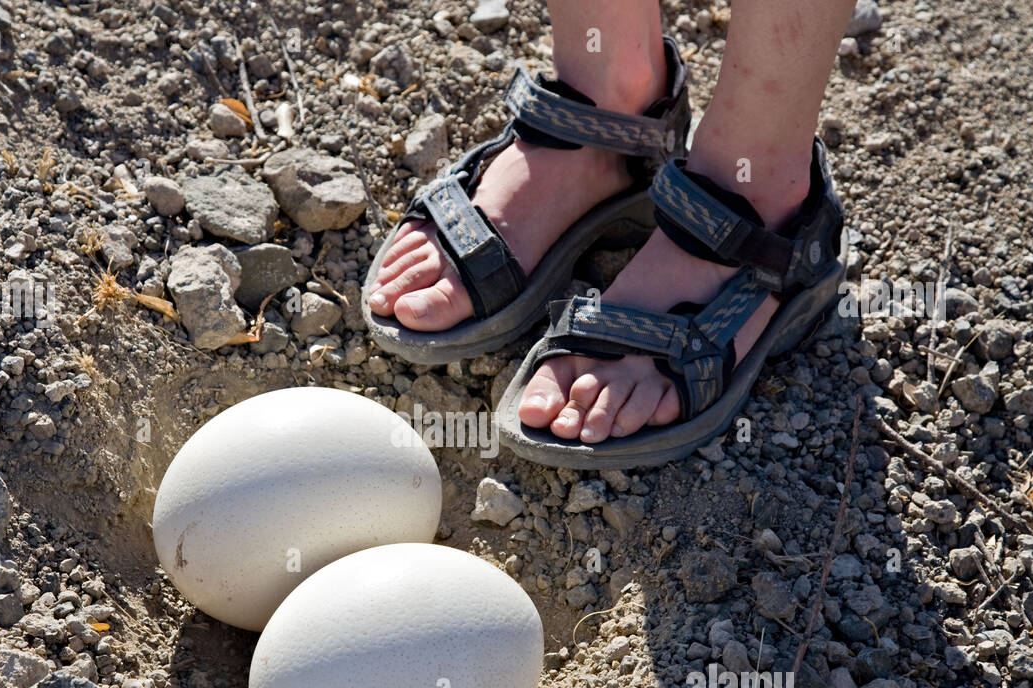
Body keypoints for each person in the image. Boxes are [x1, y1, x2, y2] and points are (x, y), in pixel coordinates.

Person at [363, 0, 855, 468]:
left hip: (766, 206)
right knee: (599, 52)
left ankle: (760, 186)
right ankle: (611, 96)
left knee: (752, 165)